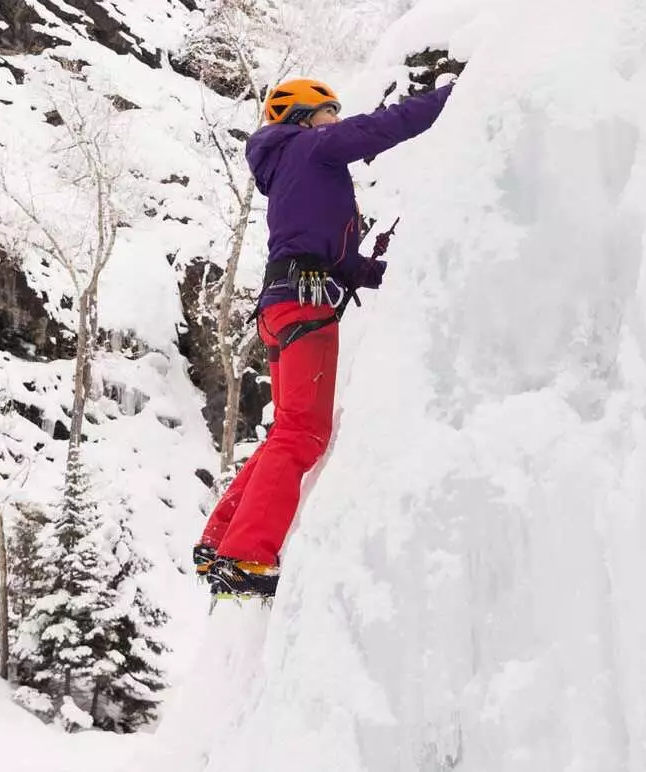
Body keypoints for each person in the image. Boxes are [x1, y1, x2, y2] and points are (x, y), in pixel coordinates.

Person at [195, 77, 455, 598]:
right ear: (302, 117)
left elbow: (340, 261)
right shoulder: (311, 148)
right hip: (305, 302)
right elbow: (383, 127)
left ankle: (219, 541)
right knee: (302, 434)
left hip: (282, 302)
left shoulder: (291, 168)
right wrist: (457, 94)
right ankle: (246, 556)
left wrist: (390, 271)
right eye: (327, 111)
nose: (336, 120)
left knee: (286, 429)